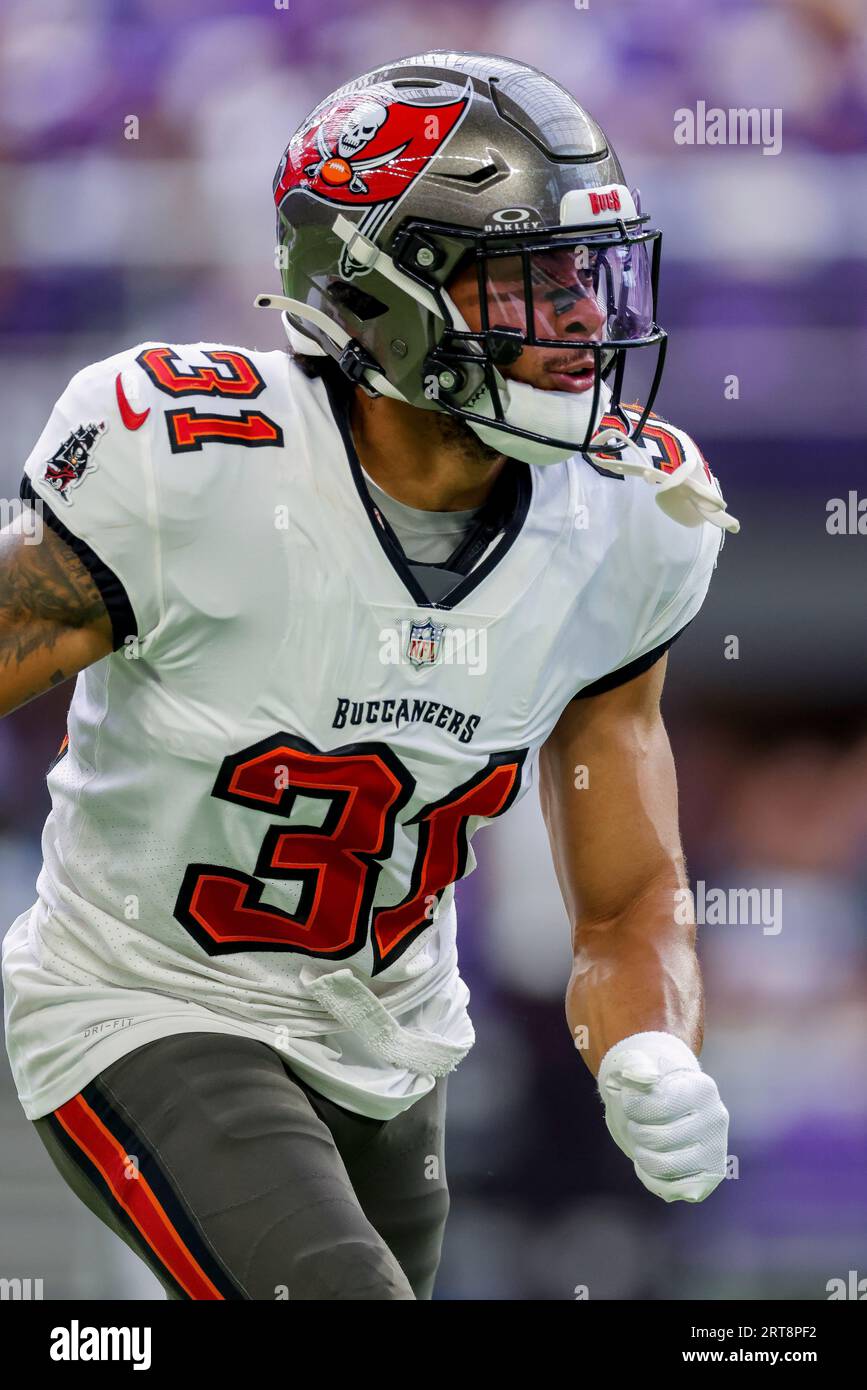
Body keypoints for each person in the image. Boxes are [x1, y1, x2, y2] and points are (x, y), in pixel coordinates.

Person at [1, 50, 734, 1301]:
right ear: (380, 294)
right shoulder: (190, 465)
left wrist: (651, 1040)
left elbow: (628, 900)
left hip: (391, 1037)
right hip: (145, 996)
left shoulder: (627, 515)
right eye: (527, 279)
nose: (582, 321)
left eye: (585, 273)